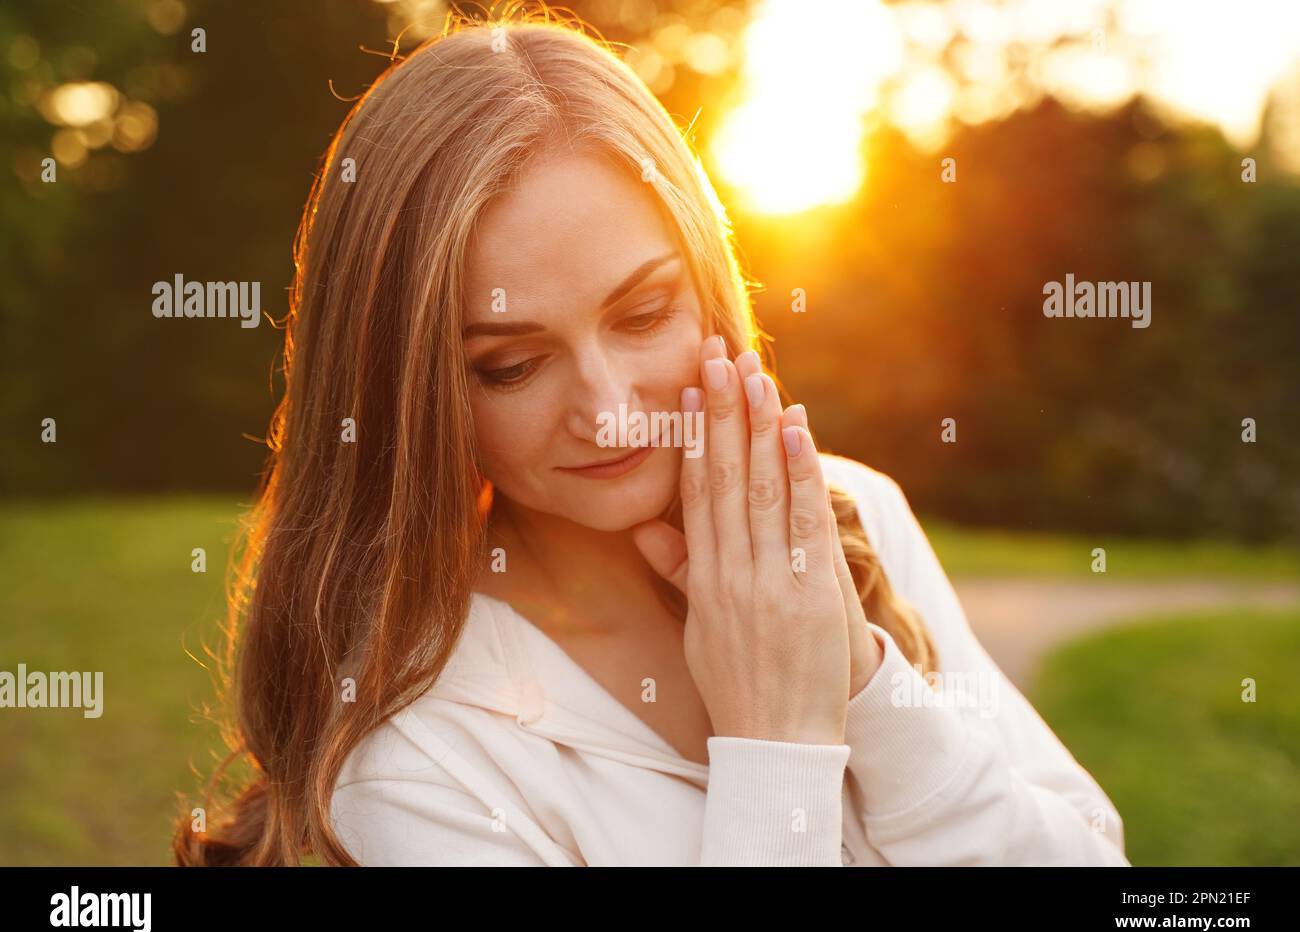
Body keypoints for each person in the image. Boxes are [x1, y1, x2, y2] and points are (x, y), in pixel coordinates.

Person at [174, 13, 1128, 867]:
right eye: (511, 364)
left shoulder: (852, 515)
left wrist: (869, 687)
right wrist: (779, 748)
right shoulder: (417, 767)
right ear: (414, 395)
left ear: (709, 285)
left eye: (643, 313)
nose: (613, 409)